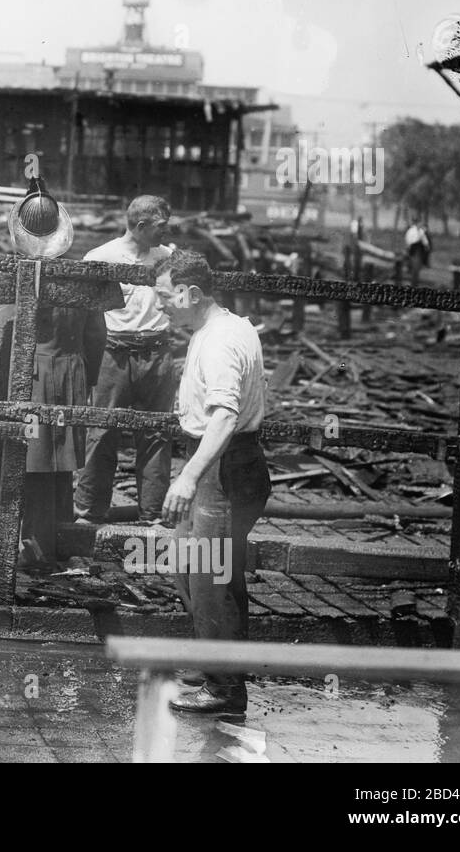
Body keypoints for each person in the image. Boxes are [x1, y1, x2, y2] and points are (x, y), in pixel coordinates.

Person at [153, 249, 270, 716]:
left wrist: (188, 477)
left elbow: (224, 417)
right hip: (221, 463)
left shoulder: (221, 340)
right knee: (193, 566)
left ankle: (225, 690)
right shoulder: (220, 327)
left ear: (190, 293)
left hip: (223, 467)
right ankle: (217, 665)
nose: (159, 304)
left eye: (164, 296)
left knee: (210, 576)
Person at [1, 176, 105, 570]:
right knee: (60, 462)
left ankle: (34, 544)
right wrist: (87, 378)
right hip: (71, 371)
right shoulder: (80, 276)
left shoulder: (19, 274)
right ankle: (60, 537)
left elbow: (6, 334)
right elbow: (97, 334)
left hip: (33, 374)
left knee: (31, 460)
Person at [74, 195, 176, 524]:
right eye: (161, 225)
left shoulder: (169, 257)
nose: (167, 230)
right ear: (141, 226)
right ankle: (89, 511)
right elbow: (84, 313)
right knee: (102, 432)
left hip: (157, 354)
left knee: (157, 434)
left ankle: (153, 514)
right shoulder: (100, 257)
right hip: (113, 354)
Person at [404, 217, 431, 287]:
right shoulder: (411, 231)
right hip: (413, 248)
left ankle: (415, 281)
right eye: (419, 223)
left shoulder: (421, 231)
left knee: (417, 266)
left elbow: (424, 240)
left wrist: (426, 245)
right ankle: (413, 281)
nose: (420, 225)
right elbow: (408, 240)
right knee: (414, 265)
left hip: (419, 249)